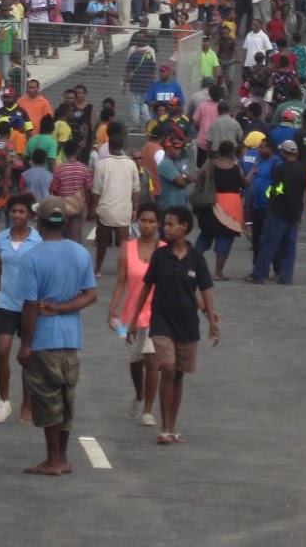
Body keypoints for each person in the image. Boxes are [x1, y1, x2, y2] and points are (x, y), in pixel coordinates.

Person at [13, 196, 97, 473]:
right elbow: (90, 295)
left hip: (43, 339)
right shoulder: (79, 253)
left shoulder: (31, 257)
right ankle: (62, 456)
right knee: (66, 399)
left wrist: (25, 345)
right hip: (71, 339)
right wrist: (61, 308)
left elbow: (28, 306)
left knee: (47, 398)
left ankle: (54, 459)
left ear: (39, 222)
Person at [128, 205, 218, 444]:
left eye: (170, 224)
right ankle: (164, 430)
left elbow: (205, 289)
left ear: (184, 227)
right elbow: (147, 287)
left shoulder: (196, 257)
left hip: (188, 323)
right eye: (164, 224)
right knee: (167, 368)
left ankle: (170, 427)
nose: (164, 228)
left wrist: (211, 320)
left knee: (178, 375)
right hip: (161, 322)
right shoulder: (160, 255)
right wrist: (135, 320)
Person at [107, 202, 163, 427]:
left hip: (157, 314)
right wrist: (112, 309)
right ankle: (139, 394)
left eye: (151, 221)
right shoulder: (126, 248)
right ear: (137, 222)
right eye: (143, 220)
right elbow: (121, 282)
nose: (147, 225)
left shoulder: (165, 249)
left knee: (152, 360)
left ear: (158, 224)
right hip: (130, 316)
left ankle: (148, 410)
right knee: (135, 360)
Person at [0, 190, 40, 425]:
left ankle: (27, 404)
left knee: (28, 357)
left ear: (29, 214)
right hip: (6, 302)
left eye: (21, 211)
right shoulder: (1, 239)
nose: (17, 215)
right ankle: (3, 400)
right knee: (2, 350)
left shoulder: (38, 241)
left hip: (29, 305)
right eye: (14, 211)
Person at [246, 139, 305, 285]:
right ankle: (286, 276)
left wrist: (270, 195)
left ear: (283, 152)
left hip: (279, 211)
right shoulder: (301, 168)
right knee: (289, 246)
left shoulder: (281, 169)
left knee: (268, 243)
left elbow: (278, 188)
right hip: (295, 210)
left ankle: (259, 273)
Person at [90, 127, 138, 275]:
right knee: (124, 242)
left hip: (105, 209)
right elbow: (135, 190)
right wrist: (135, 208)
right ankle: (125, 269)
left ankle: (98, 269)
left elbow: (96, 191)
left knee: (102, 243)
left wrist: (93, 208)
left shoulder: (101, 164)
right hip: (124, 209)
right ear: (123, 146)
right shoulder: (131, 164)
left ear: (108, 147)